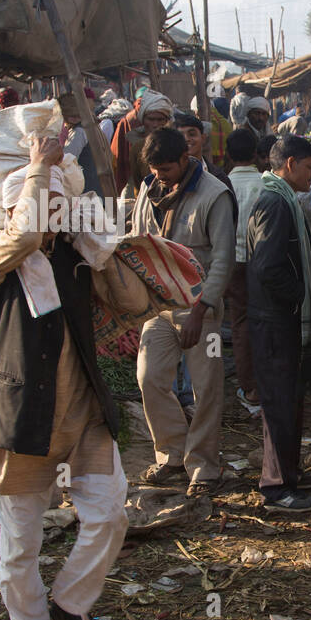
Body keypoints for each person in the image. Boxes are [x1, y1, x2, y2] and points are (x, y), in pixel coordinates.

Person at [0, 136, 144, 620]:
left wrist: (101, 247)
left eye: (61, 206)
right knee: (18, 548)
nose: (53, 219)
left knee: (108, 514)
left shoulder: (69, 254)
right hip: (22, 420)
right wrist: (39, 167)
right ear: (13, 207)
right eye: (45, 205)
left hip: (83, 415)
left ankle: (71, 603)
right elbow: (26, 234)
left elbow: (133, 303)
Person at [132, 128, 235, 495]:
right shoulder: (148, 190)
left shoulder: (215, 194)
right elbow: (137, 243)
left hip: (202, 314)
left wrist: (200, 310)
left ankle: (204, 467)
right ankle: (171, 456)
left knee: (207, 387)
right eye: (156, 171)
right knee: (149, 377)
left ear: (184, 160)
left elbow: (223, 258)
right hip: (158, 310)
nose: (162, 177)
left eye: (167, 170)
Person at [246, 134, 311, 512]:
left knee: (289, 399)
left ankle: (288, 476)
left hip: (279, 317)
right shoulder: (275, 203)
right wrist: (297, 294)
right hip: (274, 319)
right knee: (278, 402)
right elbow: (266, 265)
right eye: (309, 167)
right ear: (290, 164)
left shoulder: (283, 199)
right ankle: (277, 488)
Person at [223, 129, 265, 415]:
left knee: (239, 323)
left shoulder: (221, 184)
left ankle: (248, 386)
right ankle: (260, 384)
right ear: (256, 154)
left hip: (230, 262)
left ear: (228, 154)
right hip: (258, 260)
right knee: (262, 321)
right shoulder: (263, 184)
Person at [110, 90, 173, 198]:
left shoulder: (175, 142)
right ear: (143, 120)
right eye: (151, 119)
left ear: (167, 120)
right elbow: (135, 179)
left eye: (160, 120)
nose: (155, 124)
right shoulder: (137, 146)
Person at [175, 111, 234, 190]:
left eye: (192, 134)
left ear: (203, 138)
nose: (187, 139)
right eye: (181, 136)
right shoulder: (171, 176)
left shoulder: (218, 176)